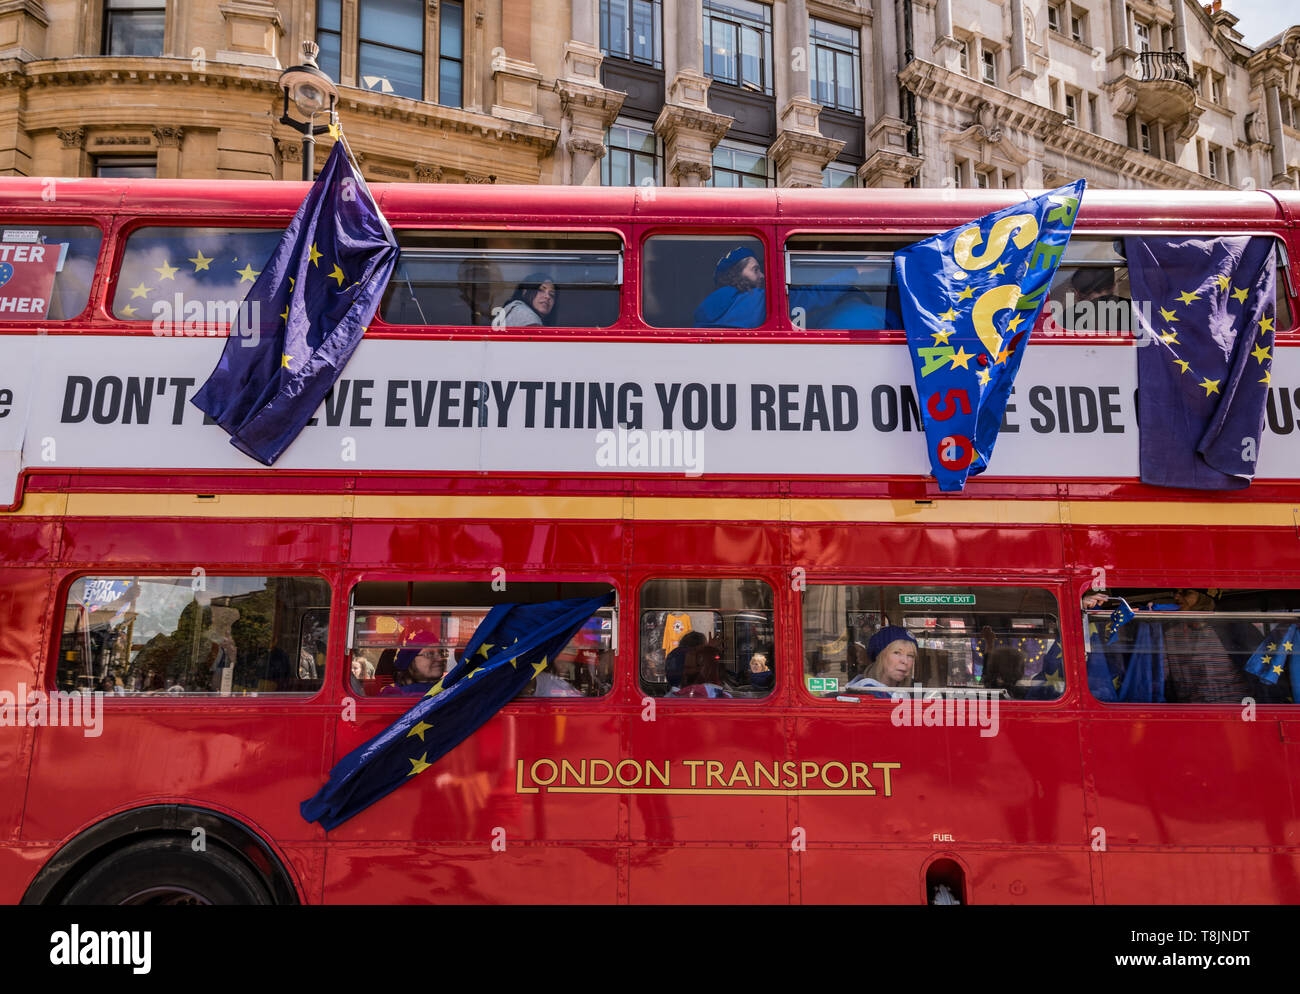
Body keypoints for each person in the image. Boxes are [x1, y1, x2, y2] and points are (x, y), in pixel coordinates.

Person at [693, 246, 891, 330]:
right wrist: (857, 270)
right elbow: (812, 297)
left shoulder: (705, 310)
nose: (762, 276)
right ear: (736, 274)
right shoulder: (755, 301)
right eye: (755, 270)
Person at [846, 626, 917, 697]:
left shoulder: (915, 691)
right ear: (879, 656)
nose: (905, 661)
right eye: (897, 653)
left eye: (910, 655)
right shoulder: (865, 693)